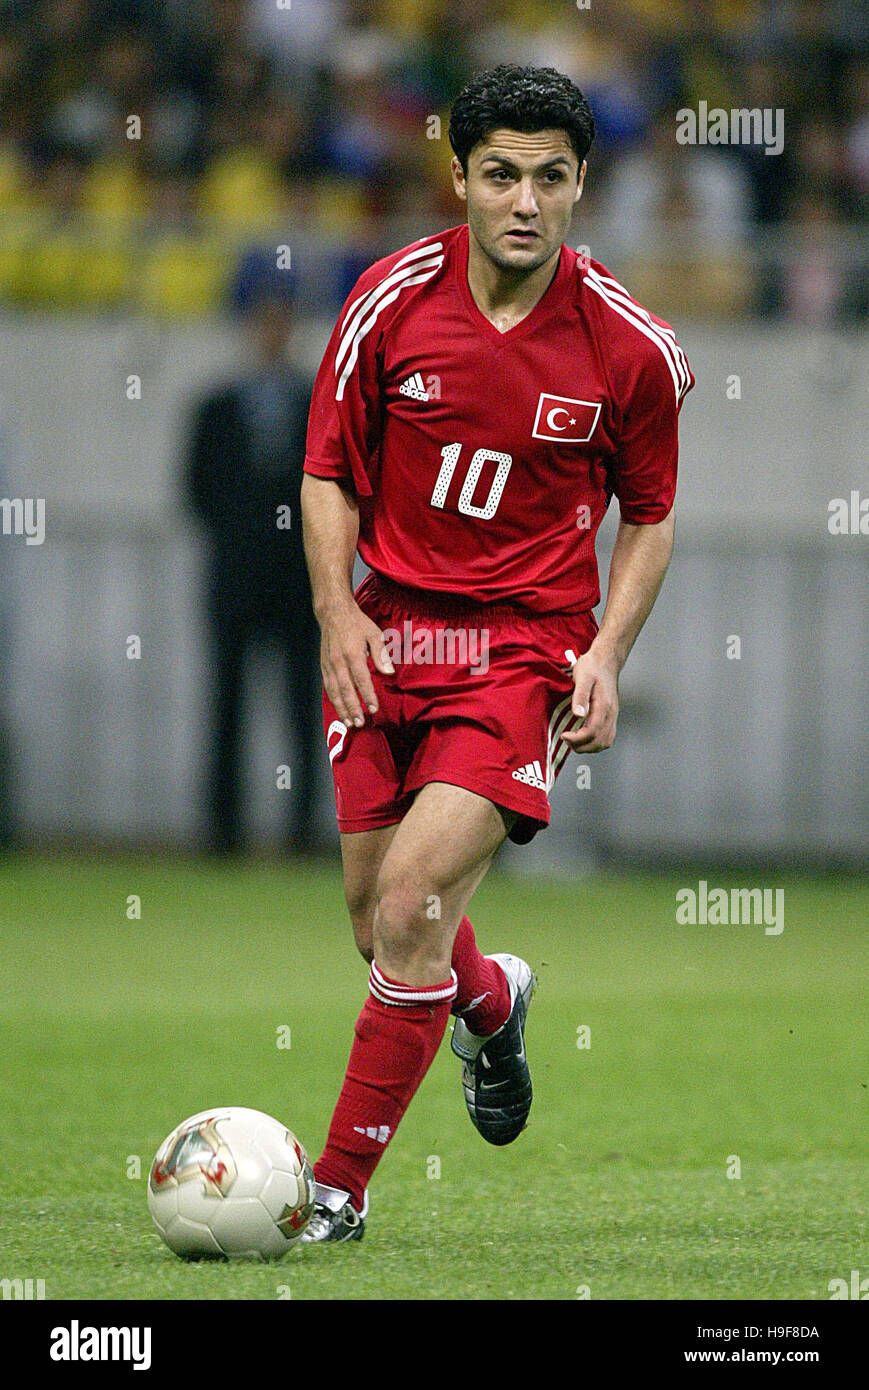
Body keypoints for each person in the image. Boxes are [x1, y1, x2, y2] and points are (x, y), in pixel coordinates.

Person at [299, 63, 693, 1241]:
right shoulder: (388, 299)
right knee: (378, 923)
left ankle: (333, 1191)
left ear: (582, 187)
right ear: (459, 178)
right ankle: (492, 999)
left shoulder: (630, 346)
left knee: (416, 902)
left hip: (521, 653)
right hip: (387, 632)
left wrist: (606, 654)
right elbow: (326, 471)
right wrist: (336, 613)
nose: (525, 201)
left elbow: (651, 515)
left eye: (551, 178)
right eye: (501, 175)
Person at [185, 267, 320, 853]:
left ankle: (302, 828)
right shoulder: (216, 408)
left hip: (298, 584)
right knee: (227, 705)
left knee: (303, 708)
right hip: (237, 582)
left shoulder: (317, 402)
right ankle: (223, 828)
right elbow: (197, 490)